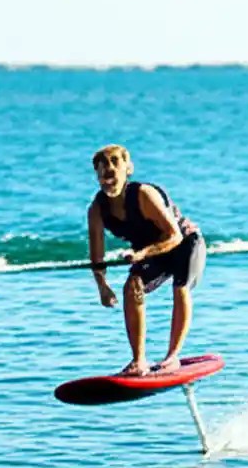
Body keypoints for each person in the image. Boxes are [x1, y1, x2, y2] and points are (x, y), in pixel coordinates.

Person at [87, 144, 205, 376]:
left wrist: (141, 254)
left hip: (185, 243)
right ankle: (138, 360)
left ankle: (172, 357)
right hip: (155, 253)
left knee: (180, 287)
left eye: (114, 168)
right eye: (103, 174)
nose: (109, 176)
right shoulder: (97, 209)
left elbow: (174, 236)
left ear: (128, 170)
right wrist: (102, 286)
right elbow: (97, 256)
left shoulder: (143, 195)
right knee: (132, 286)